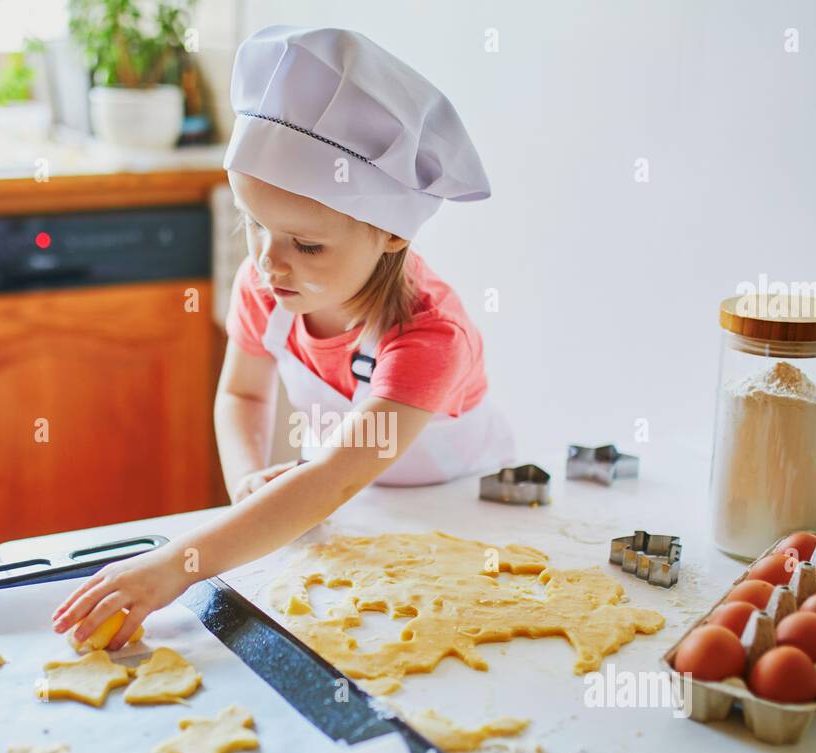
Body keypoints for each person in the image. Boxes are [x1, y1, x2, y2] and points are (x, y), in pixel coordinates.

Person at [53, 25, 513, 646]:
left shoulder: (429, 338)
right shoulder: (265, 288)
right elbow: (242, 397)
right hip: (355, 517)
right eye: (253, 224)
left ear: (392, 233)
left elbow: (332, 478)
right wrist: (246, 482)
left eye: (306, 243)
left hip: (469, 528)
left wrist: (174, 567)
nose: (269, 262)